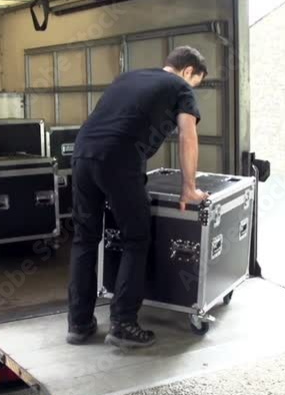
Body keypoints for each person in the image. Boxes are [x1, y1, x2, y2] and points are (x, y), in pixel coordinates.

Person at [66, 46, 209, 348]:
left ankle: (78, 325)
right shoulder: (181, 86)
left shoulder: (128, 78)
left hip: (82, 153)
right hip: (119, 158)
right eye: (196, 81)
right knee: (136, 238)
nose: (192, 88)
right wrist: (189, 186)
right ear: (188, 72)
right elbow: (187, 134)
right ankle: (123, 324)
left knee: (84, 238)